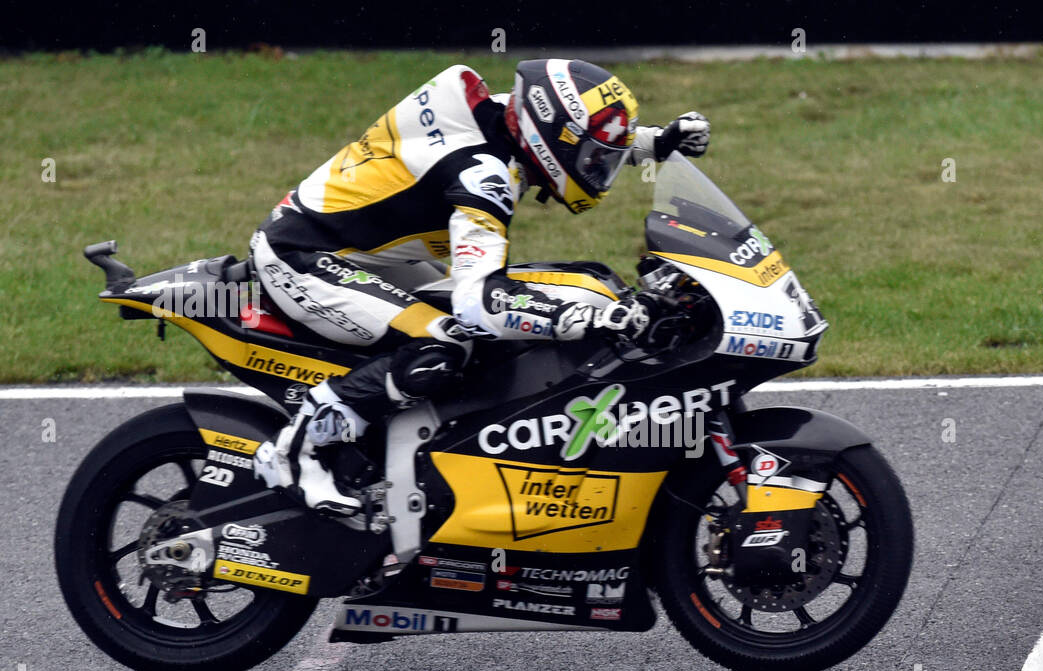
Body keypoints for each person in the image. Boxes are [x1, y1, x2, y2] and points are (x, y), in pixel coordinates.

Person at [249, 58, 711, 514]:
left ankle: (399, 455)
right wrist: (587, 318)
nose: (598, 172)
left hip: (370, 254)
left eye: (602, 160)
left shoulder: (506, 117)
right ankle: (297, 448)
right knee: (441, 343)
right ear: (549, 138)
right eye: (593, 160)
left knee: (535, 310)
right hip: (304, 257)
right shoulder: (482, 175)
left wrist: (655, 142)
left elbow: (570, 139)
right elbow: (478, 302)